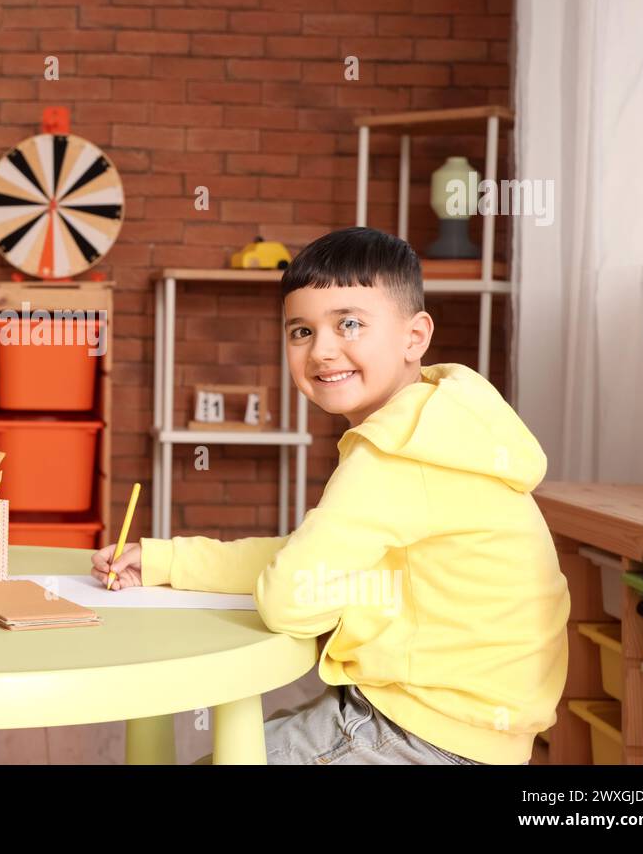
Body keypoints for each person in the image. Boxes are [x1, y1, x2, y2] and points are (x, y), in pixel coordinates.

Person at [93, 227, 569, 764]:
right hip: (468, 731)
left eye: (349, 324)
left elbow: (289, 598)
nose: (321, 350)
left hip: (424, 736)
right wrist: (167, 561)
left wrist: (322, 582)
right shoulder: (440, 421)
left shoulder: (393, 453)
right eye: (301, 331)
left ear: (415, 336)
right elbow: (308, 558)